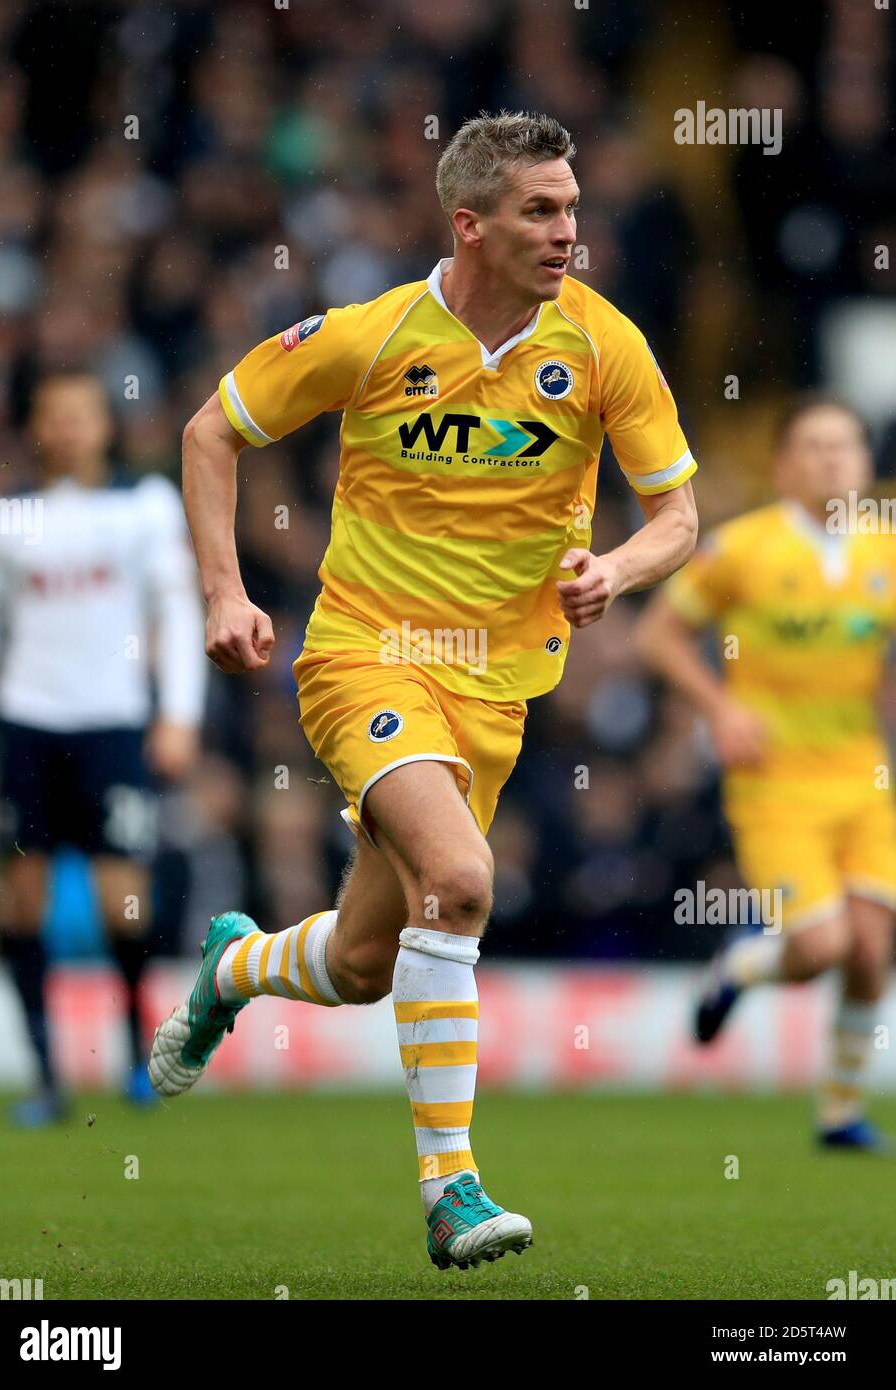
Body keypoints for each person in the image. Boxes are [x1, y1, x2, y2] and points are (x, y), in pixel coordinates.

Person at [150, 111, 698, 1268]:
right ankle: (451, 1189)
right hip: (364, 655)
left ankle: (235, 964)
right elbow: (211, 432)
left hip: (494, 694)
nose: (567, 231)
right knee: (458, 879)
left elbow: (678, 518)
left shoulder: (602, 346)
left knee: (358, 963)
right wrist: (221, 593)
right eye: (540, 211)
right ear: (470, 223)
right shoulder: (370, 333)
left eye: (571, 206)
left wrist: (615, 566)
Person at [635, 395, 896, 1152]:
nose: (832, 460)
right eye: (813, 447)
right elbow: (658, 636)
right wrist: (719, 710)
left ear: (866, 462)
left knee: (873, 948)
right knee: (821, 948)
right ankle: (739, 965)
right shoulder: (742, 549)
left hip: (862, 775)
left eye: (845, 446)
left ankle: (840, 1113)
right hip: (776, 780)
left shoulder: (884, 549)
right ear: (782, 465)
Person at [0, 370, 207, 1124]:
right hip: (27, 722)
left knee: (122, 899)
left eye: (82, 414)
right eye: (53, 415)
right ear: (35, 429)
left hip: (111, 723)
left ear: (107, 425)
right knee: (21, 900)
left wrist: (178, 714)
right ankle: (48, 1080)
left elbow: (175, 606)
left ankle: (141, 1057)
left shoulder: (143, 508)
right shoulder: (1, 522)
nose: (68, 428)